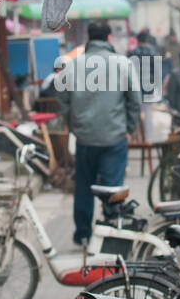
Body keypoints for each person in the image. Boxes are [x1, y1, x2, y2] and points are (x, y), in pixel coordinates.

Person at [56, 21, 142, 247]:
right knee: (113, 188)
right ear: (108, 39)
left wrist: (74, 126)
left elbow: (63, 102)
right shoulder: (123, 64)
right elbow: (135, 101)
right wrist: (129, 129)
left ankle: (83, 235)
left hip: (85, 139)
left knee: (83, 188)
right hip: (114, 138)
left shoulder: (72, 66)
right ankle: (112, 234)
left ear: (88, 39)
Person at [128, 28, 162, 141]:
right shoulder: (153, 52)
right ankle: (148, 138)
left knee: (136, 113)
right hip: (149, 87)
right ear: (147, 40)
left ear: (137, 40)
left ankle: (136, 136)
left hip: (135, 87)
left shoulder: (132, 53)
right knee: (148, 115)